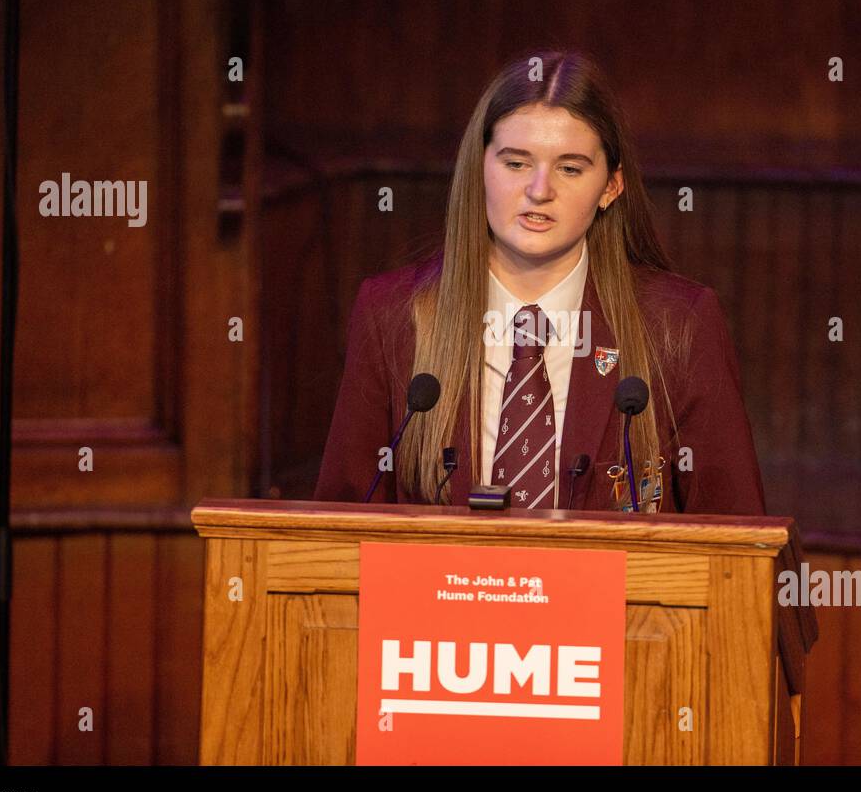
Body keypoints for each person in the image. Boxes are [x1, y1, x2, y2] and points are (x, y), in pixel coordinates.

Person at [313, 50, 770, 516]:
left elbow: (740, 538)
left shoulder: (677, 323)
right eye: (516, 164)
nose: (539, 190)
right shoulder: (391, 314)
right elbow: (338, 527)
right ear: (480, 170)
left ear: (611, 187)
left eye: (570, 169)